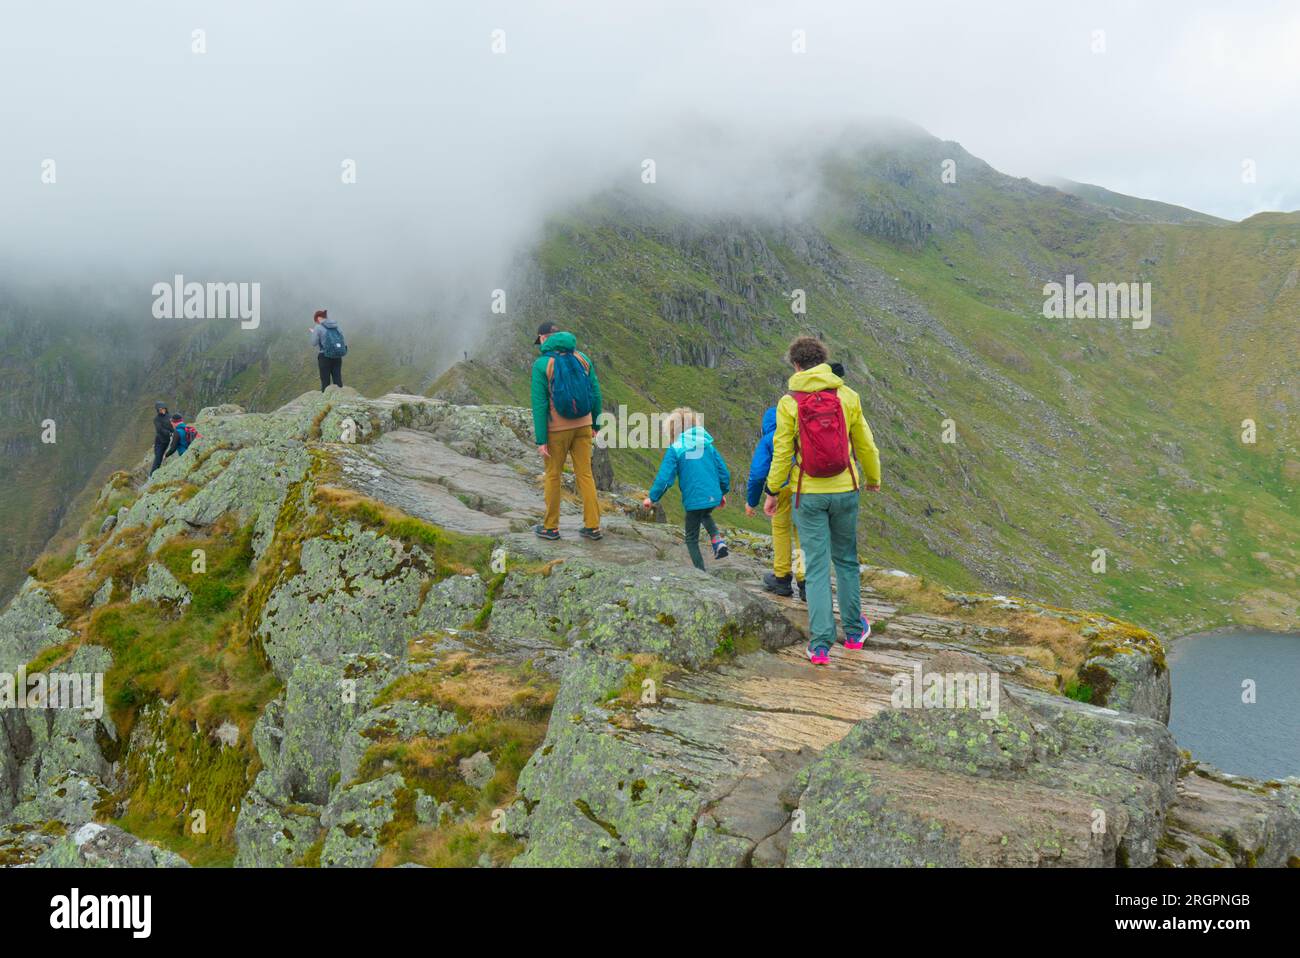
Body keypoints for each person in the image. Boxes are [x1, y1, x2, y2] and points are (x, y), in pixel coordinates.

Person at [763, 337, 881, 666]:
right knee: (845, 561)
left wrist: (773, 492)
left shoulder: (789, 404)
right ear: (824, 361)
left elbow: (783, 453)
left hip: (807, 495)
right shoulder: (847, 396)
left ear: (796, 365)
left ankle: (820, 646)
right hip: (845, 491)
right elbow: (866, 445)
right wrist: (872, 478)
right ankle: (855, 633)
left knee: (815, 568)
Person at [530, 321, 603, 541]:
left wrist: (541, 439)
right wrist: (596, 425)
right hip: (583, 425)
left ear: (543, 338)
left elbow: (540, 404)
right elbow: (596, 393)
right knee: (585, 475)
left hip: (557, 431)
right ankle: (593, 526)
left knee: (553, 475)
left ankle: (551, 527)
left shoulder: (542, 365)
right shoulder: (582, 358)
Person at [643, 407, 731, 571]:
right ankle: (717, 541)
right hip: (712, 496)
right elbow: (724, 473)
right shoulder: (708, 445)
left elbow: (665, 479)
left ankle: (700, 573)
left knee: (691, 538)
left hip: (693, 500)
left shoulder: (676, 449)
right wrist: (722, 493)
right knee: (705, 513)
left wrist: (652, 498)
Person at [745, 406, 805, 601]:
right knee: (800, 533)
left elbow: (757, 475)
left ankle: (782, 581)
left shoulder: (767, 440)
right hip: (801, 488)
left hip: (779, 491)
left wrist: (751, 501)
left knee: (781, 531)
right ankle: (805, 583)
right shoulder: (798, 434)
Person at [310, 309, 346, 390]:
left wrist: (314, 333)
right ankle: (340, 400)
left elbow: (313, 343)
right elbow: (342, 338)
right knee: (338, 380)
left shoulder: (318, 327)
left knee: (325, 381)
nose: (316, 322)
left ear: (318, 318)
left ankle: (326, 401)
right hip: (337, 355)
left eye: (316, 320)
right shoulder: (336, 326)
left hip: (324, 356)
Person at [149, 402, 175, 475]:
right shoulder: (156, 419)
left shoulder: (170, 416)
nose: (162, 410)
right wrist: (169, 433)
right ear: (157, 410)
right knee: (158, 458)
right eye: (160, 409)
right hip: (160, 442)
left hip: (169, 440)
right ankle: (152, 475)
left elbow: (173, 426)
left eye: (163, 408)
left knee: (170, 455)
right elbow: (159, 429)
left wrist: (175, 431)